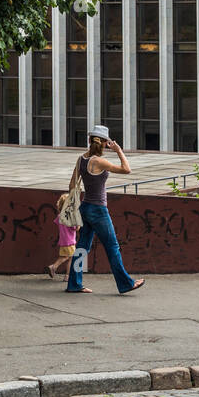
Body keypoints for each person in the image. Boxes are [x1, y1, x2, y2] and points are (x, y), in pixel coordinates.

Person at [65, 126, 145, 295]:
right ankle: (125, 283)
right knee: (112, 247)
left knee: (82, 247)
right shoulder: (98, 161)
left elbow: (72, 185)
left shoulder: (81, 160)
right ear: (103, 143)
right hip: (99, 210)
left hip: (85, 207)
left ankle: (74, 283)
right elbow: (126, 169)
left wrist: (76, 208)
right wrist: (118, 150)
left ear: (89, 141)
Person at [46, 212, 78, 280]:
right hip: (70, 241)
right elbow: (75, 228)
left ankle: (55, 268)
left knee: (65, 256)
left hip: (63, 240)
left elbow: (57, 223)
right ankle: (64, 274)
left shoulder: (59, 216)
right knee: (71, 258)